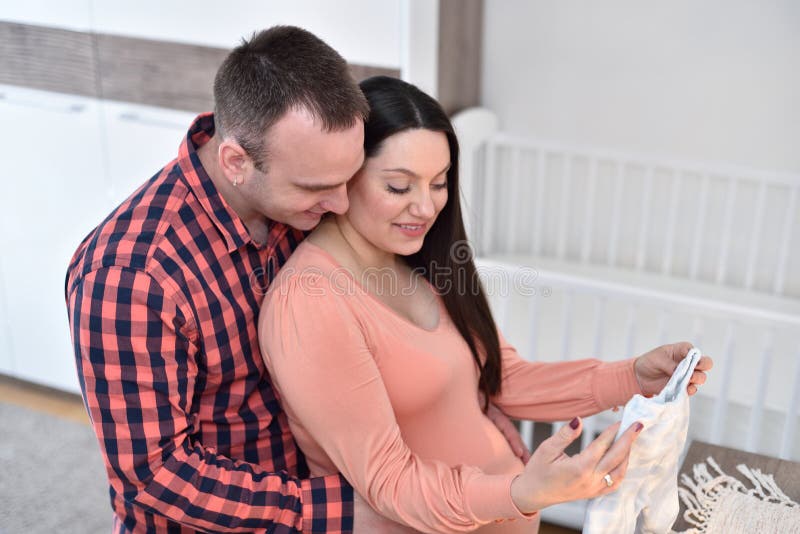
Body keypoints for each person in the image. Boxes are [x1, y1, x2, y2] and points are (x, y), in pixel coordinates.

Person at [65, 26, 531, 533]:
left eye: (348, 178)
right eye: (318, 188)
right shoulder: (131, 276)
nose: (341, 204)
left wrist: (470, 410)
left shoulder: (299, 191)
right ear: (236, 162)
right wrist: (335, 510)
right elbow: (155, 476)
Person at [258, 76, 713, 532]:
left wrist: (631, 377)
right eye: (399, 187)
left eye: (439, 183)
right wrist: (521, 493)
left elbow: (503, 378)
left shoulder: (419, 260)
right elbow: (390, 483)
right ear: (344, 178)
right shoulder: (310, 302)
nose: (426, 207)